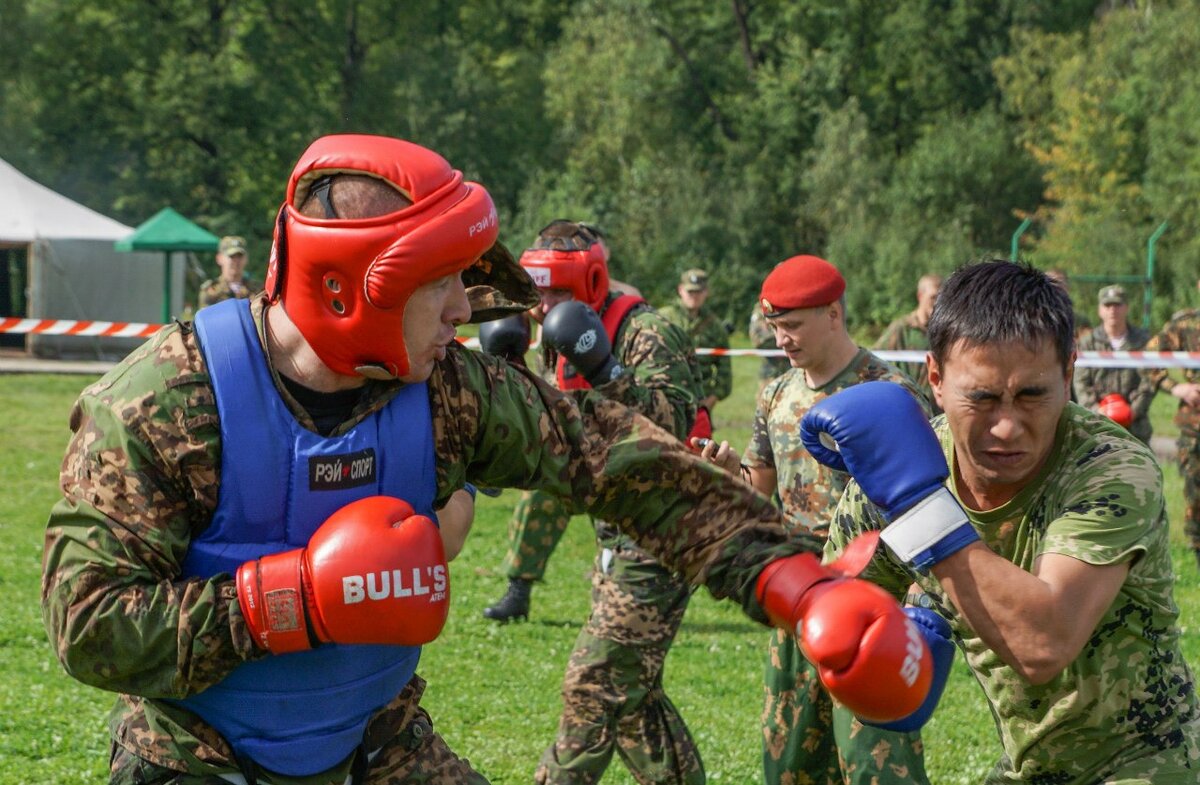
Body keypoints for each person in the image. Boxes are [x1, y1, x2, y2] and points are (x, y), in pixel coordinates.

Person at [42, 134, 933, 785]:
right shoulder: (163, 401)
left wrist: (791, 579)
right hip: (194, 760)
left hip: (378, 743)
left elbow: (616, 462)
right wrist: (291, 601)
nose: (464, 313)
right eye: (440, 286)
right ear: (352, 287)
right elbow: (85, 625)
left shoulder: (446, 392)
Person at [803, 259, 1200, 784]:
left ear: (1068, 373)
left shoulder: (1110, 469)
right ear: (936, 379)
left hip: (1149, 760)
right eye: (983, 398)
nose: (1008, 426)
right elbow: (825, 599)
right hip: (1030, 768)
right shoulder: (905, 470)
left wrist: (923, 514)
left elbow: (1044, 644)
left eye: (1032, 395)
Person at [696, 255, 936, 785]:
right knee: (790, 764)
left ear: (833, 314)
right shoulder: (776, 395)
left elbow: (931, 504)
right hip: (799, 595)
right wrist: (724, 474)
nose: (782, 339)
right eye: (775, 327)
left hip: (873, 601)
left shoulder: (889, 393)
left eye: (792, 325)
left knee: (879, 762)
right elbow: (757, 493)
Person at [489, 220, 707, 784]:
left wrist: (605, 369)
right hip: (614, 530)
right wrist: (508, 375)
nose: (544, 308)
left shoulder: (648, 331)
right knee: (633, 701)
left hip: (666, 526)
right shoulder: (547, 337)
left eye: (557, 294)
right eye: (538, 294)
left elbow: (676, 422)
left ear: (589, 281)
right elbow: (555, 428)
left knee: (593, 682)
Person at [1145, 274, 1200, 570]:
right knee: (1196, 492)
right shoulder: (1185, 324)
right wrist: (1175, 387)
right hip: (1196, 427)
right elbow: (1149, 357)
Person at [1072, 284, 1155, 444]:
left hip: (1135, 428)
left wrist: (1133, 411)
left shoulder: (1143, 341)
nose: (1112, 310)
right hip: (1096, 426)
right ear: (1099, 310)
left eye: (1117, 304)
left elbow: (1150, 380)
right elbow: (1080, 382)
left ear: (1127, 308)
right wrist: (1097, 411)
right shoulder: (1088, 343)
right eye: (1107, 305)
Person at [657, 268, 734, 419]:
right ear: (680, 290)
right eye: (690, 291)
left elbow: (725, 368)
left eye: (699, 291)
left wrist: (712, 399)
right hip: (666, 398)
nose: (694, 296)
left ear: (706, 292)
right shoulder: (662, 318)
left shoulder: (715, 326)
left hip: (700, 402)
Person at [874, 273, 941, 411]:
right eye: (933, 297)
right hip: (909, 409)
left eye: (941, 298)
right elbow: (874, 359)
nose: (937, 303)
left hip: (938, 412)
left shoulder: (945, 330)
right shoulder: (902, 328)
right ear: (920, 296)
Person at [198, 235, 263, 308]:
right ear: (219, 258)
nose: (236, 261)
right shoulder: (211, 290)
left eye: (239, 256)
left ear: (246, 258)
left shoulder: (258, 290)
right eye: (231, 256)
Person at [749, 304, 790, 395]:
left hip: (794, 372)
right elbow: (758, 340)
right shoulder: (762, 308)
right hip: (771, 373)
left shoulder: (790, 304)